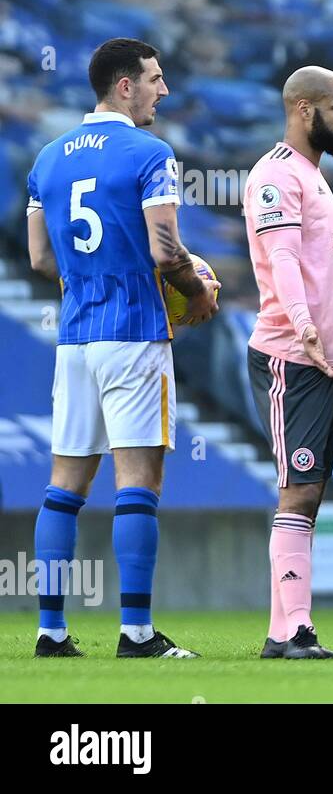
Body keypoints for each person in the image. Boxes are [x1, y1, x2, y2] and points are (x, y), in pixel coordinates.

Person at [26, 37, 218, 658]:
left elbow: (38, 257)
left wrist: (90, 279)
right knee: (138, 482)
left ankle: (50, 632)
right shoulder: (149, 152)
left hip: (75, 337)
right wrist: (199, 292)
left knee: (64, 486)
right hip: (134, 332)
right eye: (156, 79)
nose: (165, 90)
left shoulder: (47, 160)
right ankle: (136, 633)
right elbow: (166, 253)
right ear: (124, 84)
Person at [243, 66, 333, 660]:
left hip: (325, 358)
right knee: (298, 492)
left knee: (309, 492)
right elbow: (281, 261)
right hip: (290, 358)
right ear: (305, 109)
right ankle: (295, 631)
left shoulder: (313, 176)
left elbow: (324, 278)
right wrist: (303, 328)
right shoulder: (277, 174)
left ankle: (284, 635)